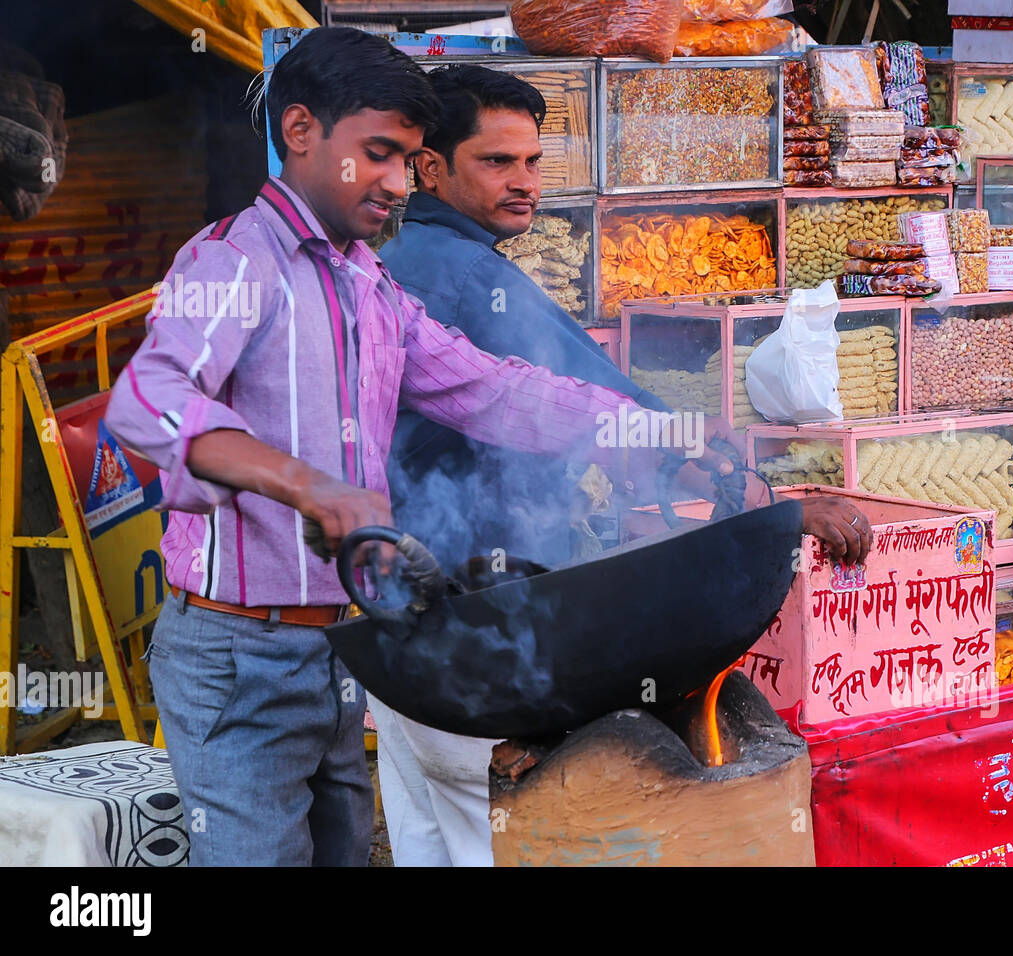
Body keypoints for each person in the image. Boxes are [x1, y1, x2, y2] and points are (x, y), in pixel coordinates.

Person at [103, 27, 742, 867]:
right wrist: (305, 485)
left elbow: (495, 388)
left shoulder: (367, 281)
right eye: (378, 154)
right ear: (301, 133)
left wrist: (662, 438)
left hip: (341, 645)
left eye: (407, 158)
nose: (399, 182)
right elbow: (147, 402)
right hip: (237, 654)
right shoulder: (234, 263)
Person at [375, 65, 873, 866]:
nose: (524, 182)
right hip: (479, 622)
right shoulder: (468, 276)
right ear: (429, 168)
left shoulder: (398, 258)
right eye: (496, 162)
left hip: (397, 612)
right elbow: (608, 411)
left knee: (426, 835)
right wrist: (767, 506)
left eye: (534, 162)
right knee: (493, 836)